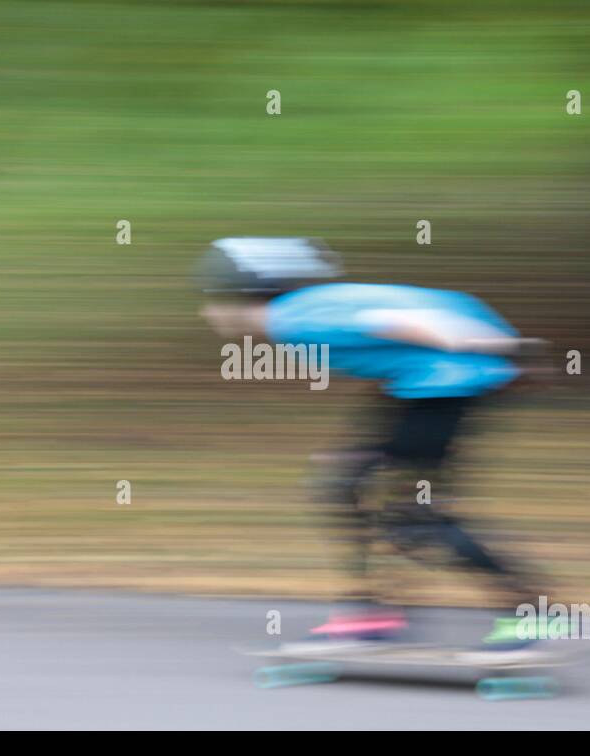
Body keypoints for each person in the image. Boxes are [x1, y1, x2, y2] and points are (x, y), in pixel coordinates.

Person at [199, 237, 548, 643]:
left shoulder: (293, 321)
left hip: (449, 385)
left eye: (213, 298)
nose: (206, 310)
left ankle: (534, 612)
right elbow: (393, 348)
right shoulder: (308, 308)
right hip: (426, 387)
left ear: (242, 296)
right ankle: (373, 610)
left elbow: (399, 324)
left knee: (418, 519)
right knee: (344, 483)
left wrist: (506, 349)